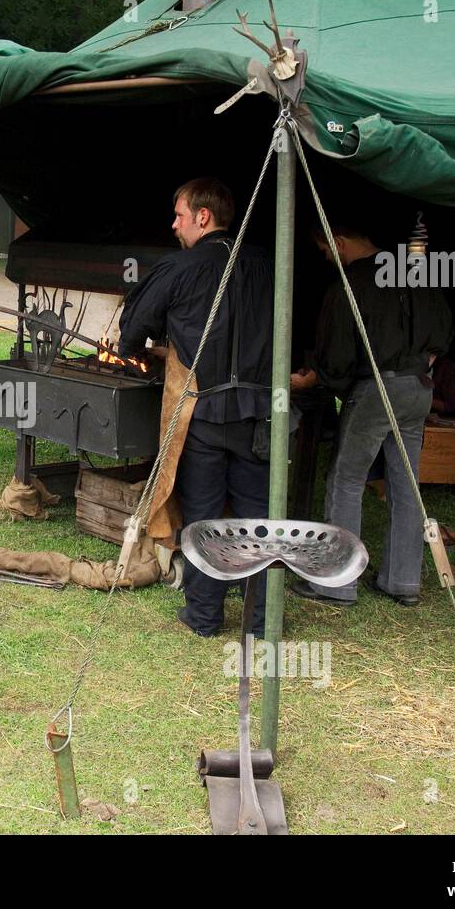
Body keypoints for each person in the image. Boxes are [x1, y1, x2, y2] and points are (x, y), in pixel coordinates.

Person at [118, 178, 275, 638]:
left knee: (204, 515)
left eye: (179, 215)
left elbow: (132, 327)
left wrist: (145, 345)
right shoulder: (270, 266)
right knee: (257, 522)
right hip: (261, 414)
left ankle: (204, 616)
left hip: (204, 413)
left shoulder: (181, 267)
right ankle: (260, 623)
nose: (174, 225)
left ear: (202, 217)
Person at [290, 223, 454, 607]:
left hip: (379, 388)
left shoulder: (350, 284)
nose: (329, 259)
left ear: (340, 241)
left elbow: (337, 356)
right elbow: (444, 331)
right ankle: (402, 582)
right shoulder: (415, 272)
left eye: (327, 251)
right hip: (420, 388)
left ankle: (336, 583)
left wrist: (313, 379)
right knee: (406, 482)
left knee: (346, 479)